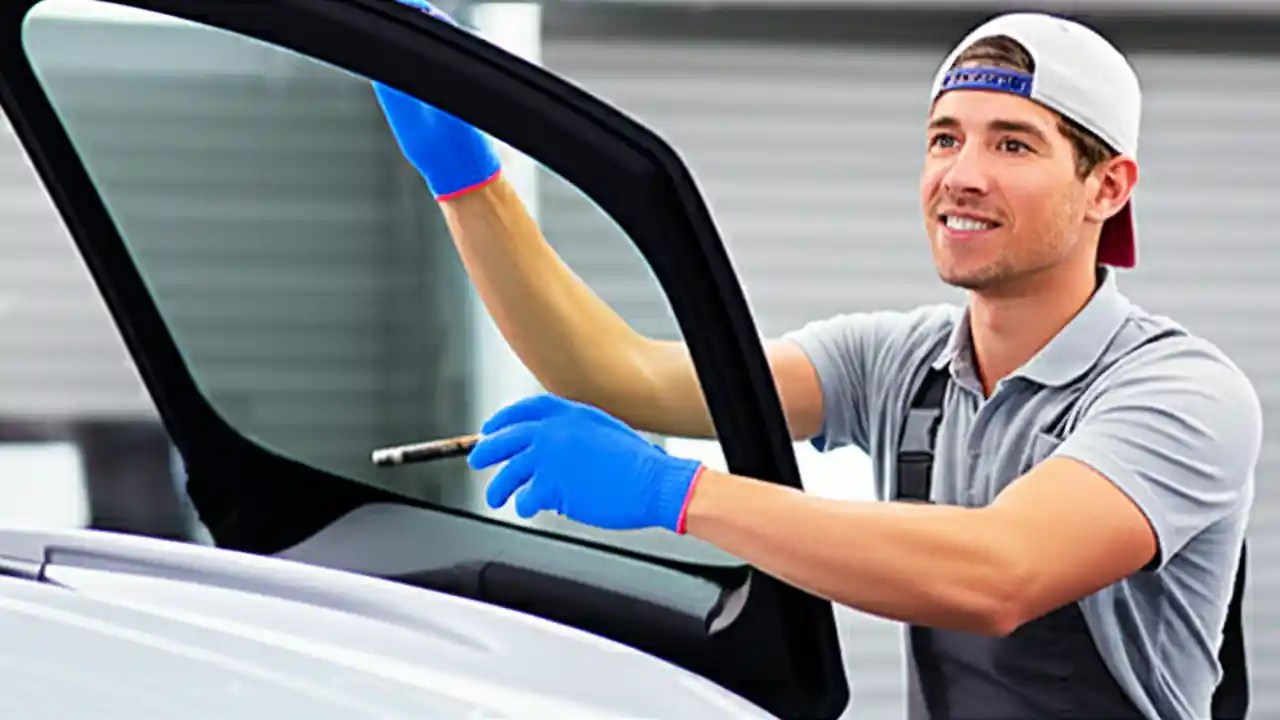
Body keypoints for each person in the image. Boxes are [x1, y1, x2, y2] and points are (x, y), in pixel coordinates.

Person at [375, 5, 1261, 719]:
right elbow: (619, 376)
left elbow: (1000, 573)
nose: (961, 174)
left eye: (1012, 144)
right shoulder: (902, 360)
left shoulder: (1180, 392)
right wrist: (468, 185)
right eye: (944, 138)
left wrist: (674, 493)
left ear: (1107, 187)